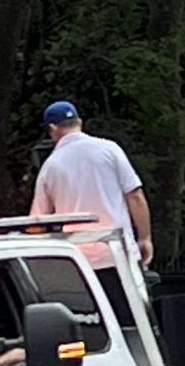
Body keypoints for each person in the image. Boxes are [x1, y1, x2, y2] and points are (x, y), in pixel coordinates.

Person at [31, 101, 154, 265]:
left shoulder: (50, 166)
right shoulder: (109, 149)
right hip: (119, 253)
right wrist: (145, 238)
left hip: (80, 260)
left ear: (52, 129)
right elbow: (135, 197)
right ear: (79, 123)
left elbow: (38, 222)